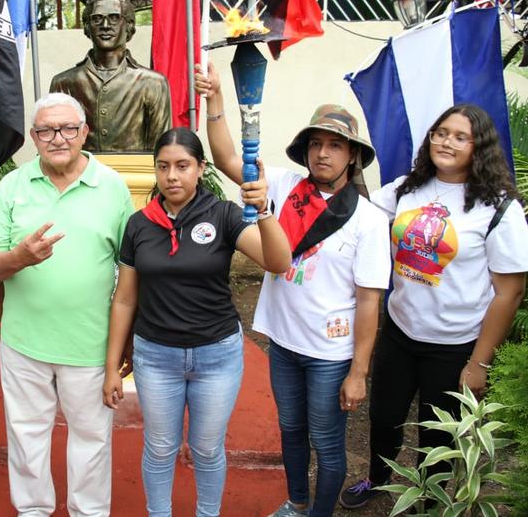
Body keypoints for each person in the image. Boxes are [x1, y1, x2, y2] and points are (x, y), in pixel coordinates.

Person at [196, 64, 392, 517]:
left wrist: (358, 371)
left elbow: (369, 301)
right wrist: (217, 100)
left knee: (326, 438)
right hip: (283, 343)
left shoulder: (368, 219)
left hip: (331, 352)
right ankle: (297, 502)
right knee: (290, 430)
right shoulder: (283, 186)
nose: (323, 153)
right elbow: (228, 158)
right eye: (316, 143)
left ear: (352, 156)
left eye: (335, 145)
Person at [339, 104, 528, 509]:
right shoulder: (407, 188)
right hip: (401, 330)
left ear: (481, 148)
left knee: (437, 434)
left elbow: (509, 292)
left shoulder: (498, 208)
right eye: (441, 132)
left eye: (460, 136)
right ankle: (378, 477)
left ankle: (430, 500)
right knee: (384, 417)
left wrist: (479, 363)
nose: (446, 141)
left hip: (455, 343)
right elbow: (360, 218)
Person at [102, 127, 291, 517]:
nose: (172, 176)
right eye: (164, 167)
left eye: (183, 166)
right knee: (159, 447)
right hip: (156, 357)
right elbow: (124, 299)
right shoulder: (139, 224)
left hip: (216, 355)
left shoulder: (223, 215)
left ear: (201, 168)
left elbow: (279, 262)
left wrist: (266, 210)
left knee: (206, 448)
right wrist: (112, 367)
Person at [0, 92, 133, 517]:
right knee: (26, 433)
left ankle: (88, 512)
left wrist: (127, 340)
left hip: (90, 343)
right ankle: (32, 510)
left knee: (92, 437)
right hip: (24, 341)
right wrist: (19, 259)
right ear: (33, 137)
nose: (58, 138)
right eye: (46, 130)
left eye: (68, 128)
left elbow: (131, 267)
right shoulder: (12, 185)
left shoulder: (112, 186)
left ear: (84, 132)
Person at [50, 0, 171, 153]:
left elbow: (160, 152)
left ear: (129, 25)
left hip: (134, 176)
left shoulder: (153, 83)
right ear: (87, 27)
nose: (105, 26)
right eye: (97, 19)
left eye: (114, 18)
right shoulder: (64, 83)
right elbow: (57, 144)